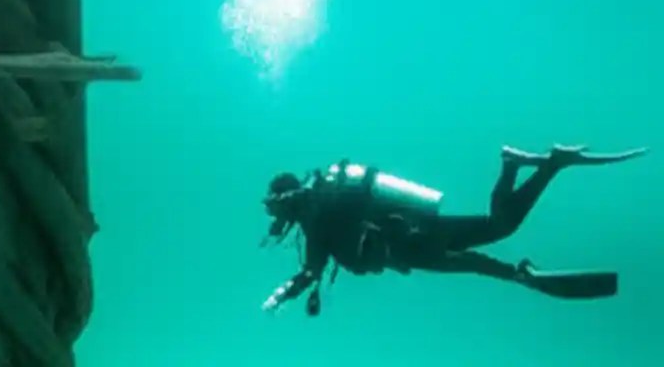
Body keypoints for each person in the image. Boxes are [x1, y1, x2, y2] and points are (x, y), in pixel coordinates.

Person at [259, 144, 648, 316]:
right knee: (501, 225)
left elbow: (310, 270)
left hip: (410, 244)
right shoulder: (322, 207)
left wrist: (279, 297)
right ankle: (531, 165)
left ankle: (518, 272)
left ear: (287, 198)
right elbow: (313, 268)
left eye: (275, 205)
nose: (276, 218)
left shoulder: (316, 216)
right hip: (417, 230)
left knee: (476, 259)